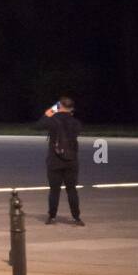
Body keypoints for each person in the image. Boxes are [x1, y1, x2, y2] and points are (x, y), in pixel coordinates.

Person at [37, 96, 84, 226]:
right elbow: (78, 131)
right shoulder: (76, 123)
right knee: (72, 189)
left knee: (54, 190)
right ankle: (76, 217)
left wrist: (52, 110)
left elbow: (39, 125)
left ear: (59, 106)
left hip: (54, 160)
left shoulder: (52, 121)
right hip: (71, 161)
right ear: (72, 108)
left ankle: (52, 217)